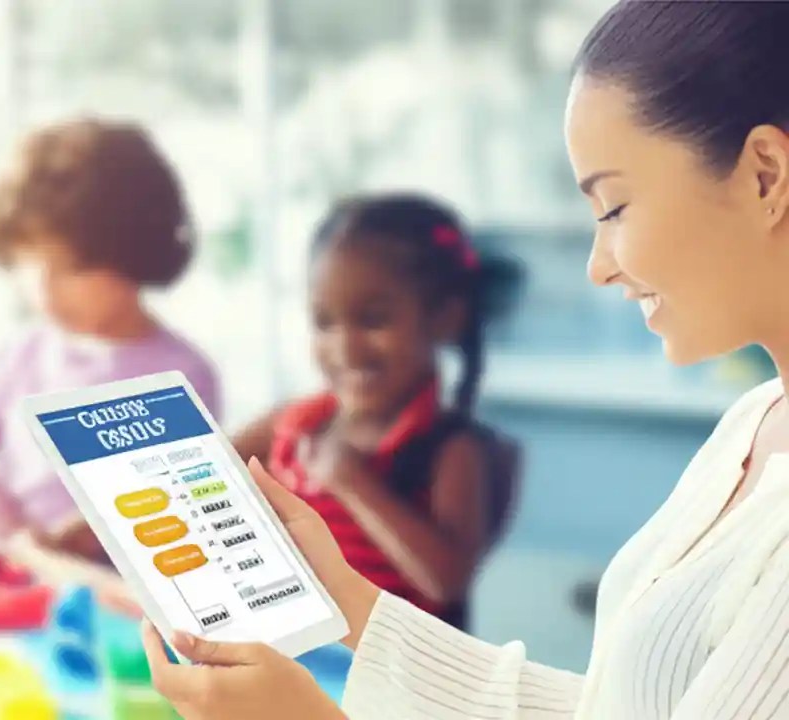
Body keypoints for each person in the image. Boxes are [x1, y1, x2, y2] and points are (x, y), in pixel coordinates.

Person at [143, 2, 789, 718]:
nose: (598, 266)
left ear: (764, 175)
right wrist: (350, 600)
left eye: (614, 209)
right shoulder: (755, 422)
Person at [0, 118, 220, 562]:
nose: (43, 290)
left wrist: (43, 543)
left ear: (135, 250)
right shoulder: (22, 355)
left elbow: (169, 525)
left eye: (69, 269)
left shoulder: (181, 375)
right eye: (27, 263)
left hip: (102, 600)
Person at [232, 194, 517, 629]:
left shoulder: (451, 450)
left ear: (444, 319)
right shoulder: (297, 424)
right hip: (307, 662)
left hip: (397, 680)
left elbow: (447, 581)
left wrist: (352, 482)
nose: (345, 349)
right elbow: (205, 467)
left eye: (373, 321)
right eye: (324, 323)